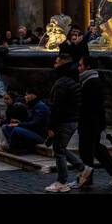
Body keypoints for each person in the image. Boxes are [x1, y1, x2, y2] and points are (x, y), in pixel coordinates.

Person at [75, 55, 112, 188]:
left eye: (80, 65)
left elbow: (91, 105)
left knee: (86, 150)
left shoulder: (91, 83)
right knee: (96, 149)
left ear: (88, 67)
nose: (78, 68)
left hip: (89, 122)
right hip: (92, 122)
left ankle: (86, 178)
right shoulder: (89, 80)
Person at [45, 55, 84, 192]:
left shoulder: (62, 82)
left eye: (56, 62)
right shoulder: (73, 79)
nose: (54, 65)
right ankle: (82, 168)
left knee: (59, 152)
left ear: (62, 64)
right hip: (72, 119)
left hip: (64, 121)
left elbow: (57, 107)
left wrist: (51, 126)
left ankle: (62, 182)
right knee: (61, 149)